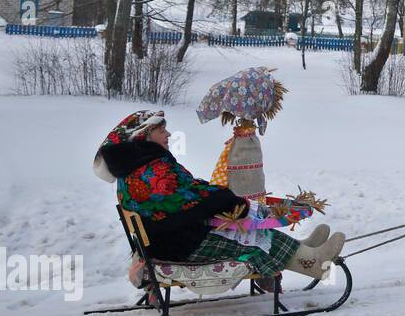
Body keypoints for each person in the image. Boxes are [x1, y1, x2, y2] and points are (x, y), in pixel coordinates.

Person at [94, 110, 344, 278]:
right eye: (162, 131)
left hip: (171, 238)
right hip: (181, 245)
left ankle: (301, 249)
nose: (169, 135)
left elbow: (187, 192)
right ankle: (314, 264)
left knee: (247, 230)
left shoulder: (139, 167)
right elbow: (189, 201)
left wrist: (221, 195)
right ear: (144, 136)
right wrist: (225, 200)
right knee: (246, 238)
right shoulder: (151, 172)